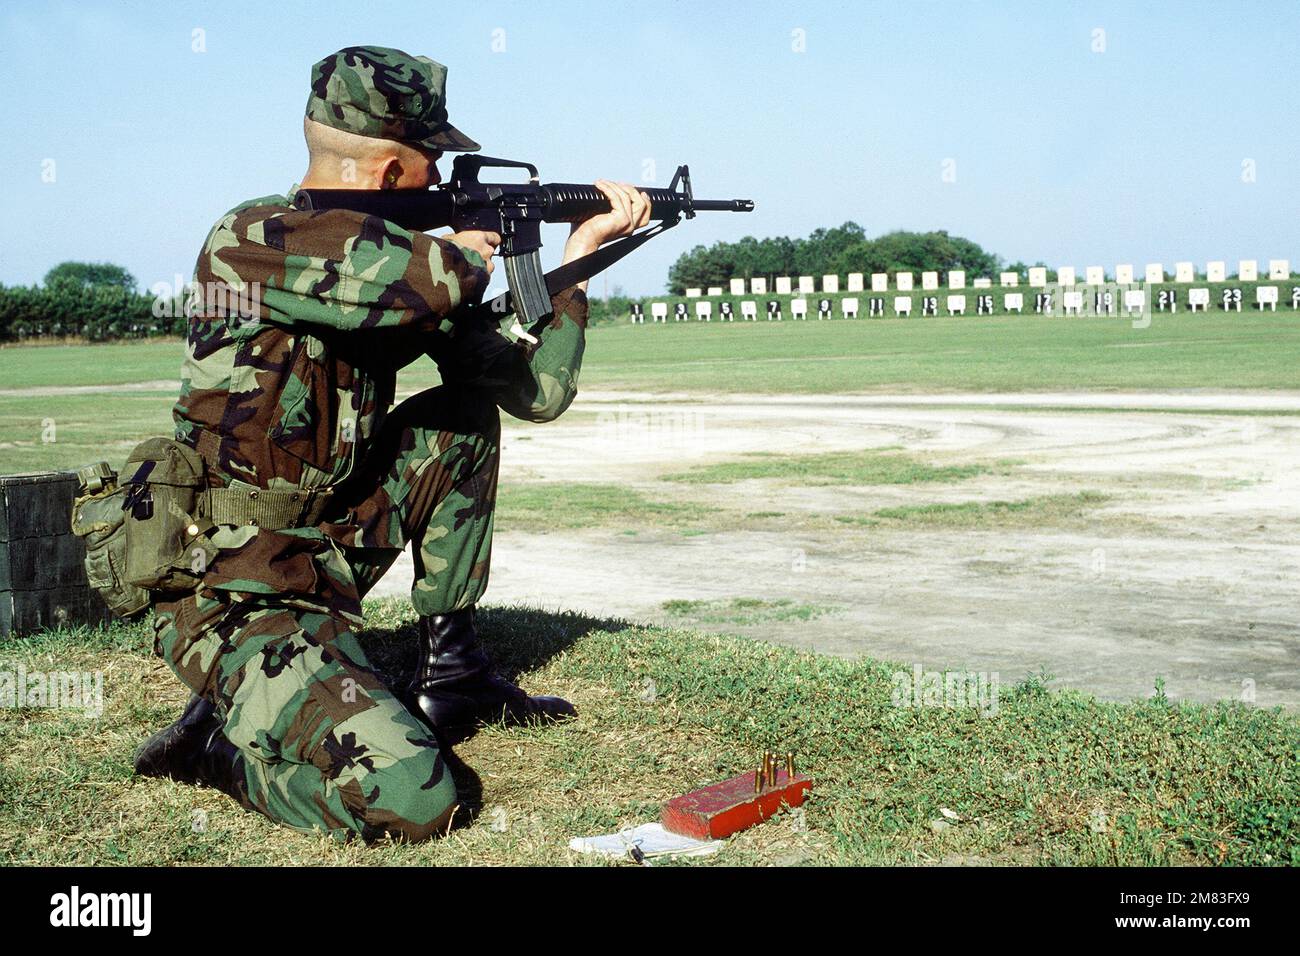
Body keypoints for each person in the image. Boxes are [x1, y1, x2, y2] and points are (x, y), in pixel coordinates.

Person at [132, 45, 650, 843]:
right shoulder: (255, 237)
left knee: (462, 420)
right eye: (431, 164)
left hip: (322, 547)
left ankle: (455, 668)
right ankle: (216, 745)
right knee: (418, 799)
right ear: (387, 174)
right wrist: (490, 246)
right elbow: (426, 279)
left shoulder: (401, 271)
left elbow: (533, 392)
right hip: (229, 593)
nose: (440, 183)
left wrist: (575, 266)